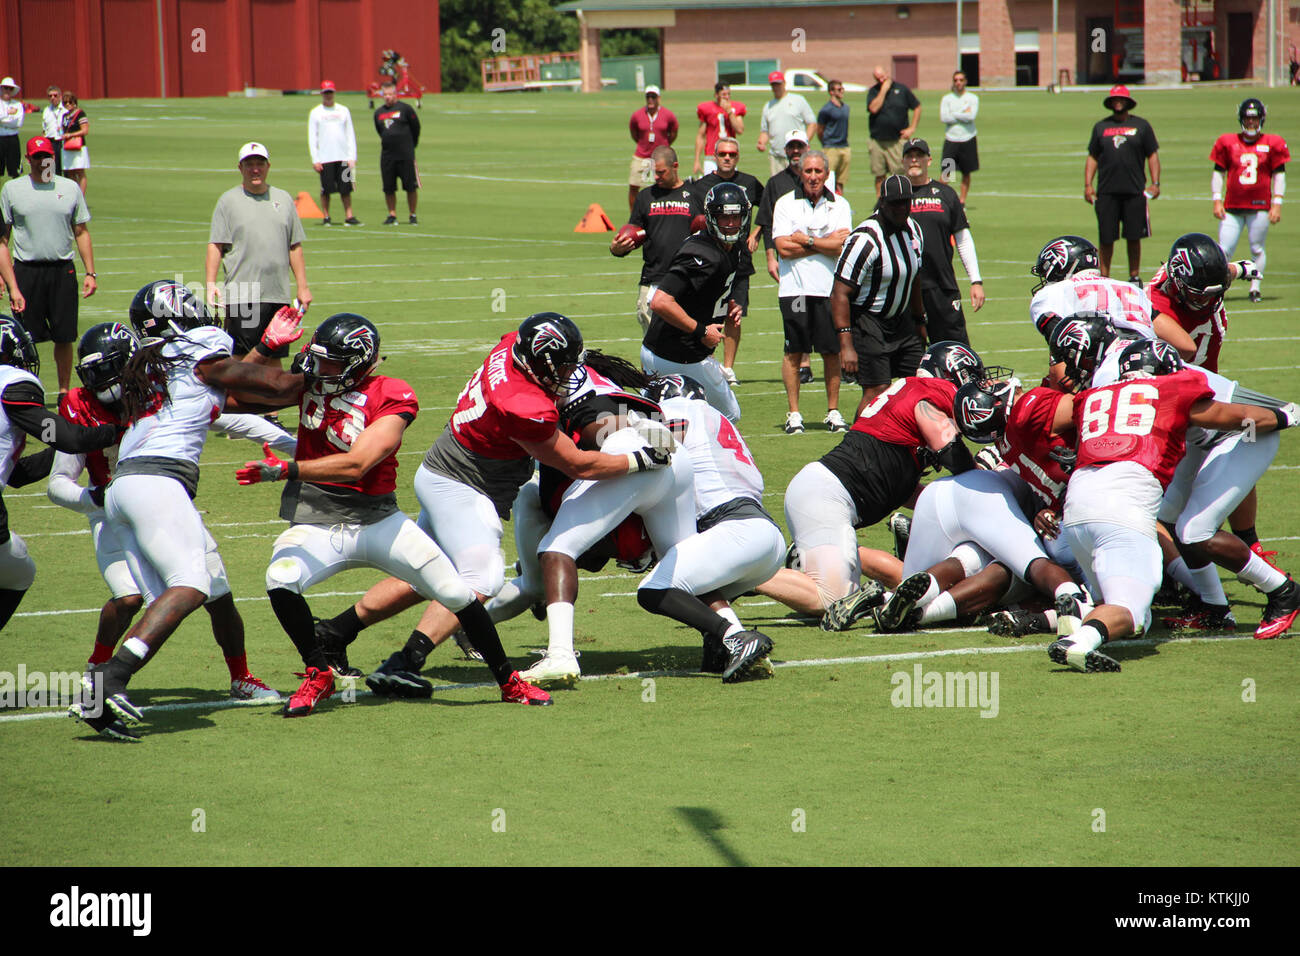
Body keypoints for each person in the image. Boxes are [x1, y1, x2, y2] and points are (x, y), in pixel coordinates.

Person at [307, 314, 673, 698]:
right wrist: (639, 461)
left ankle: (334, 633)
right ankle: (404, 662)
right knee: (481, 578)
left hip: (442, 468)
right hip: (464, 486)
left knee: (425, 574)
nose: (568, 374)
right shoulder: (521, 402)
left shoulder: (513, 344)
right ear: (542, 362)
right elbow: (578, 465)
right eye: (562, 366)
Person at [234, 313, 553, 713]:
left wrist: (288, 469)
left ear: (357, 362)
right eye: (318, 358)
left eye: (331, 361)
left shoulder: (392, 393)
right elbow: (230, 393)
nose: (319, 368)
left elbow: (357, 464)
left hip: (378, 522)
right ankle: (319, 672)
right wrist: (265, 348)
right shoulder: (311, 382)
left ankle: (509, 682)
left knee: (456, 591)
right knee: (280, 578)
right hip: (317, 522)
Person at [74, 281, 306, 739]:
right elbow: (275, 389)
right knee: (191, 585)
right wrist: (324, 378)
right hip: (157, 483)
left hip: (125, 485)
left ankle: (98, 701)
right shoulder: (199, 349)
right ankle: (107, 680)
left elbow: (225, 388)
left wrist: (264, 348)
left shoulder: (154, 363)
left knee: (190, 591)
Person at [1048, 334, 1297, 672]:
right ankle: (1215, 608)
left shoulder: (1099, 393)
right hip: (1179, 449)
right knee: (1167, 520)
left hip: (1243, 433)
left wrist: (1282, 417)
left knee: (1194, 530)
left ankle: (1282, 590)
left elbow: (1233, 416)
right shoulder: (1164, 388)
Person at [773, 341, 982, 622]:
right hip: (827, 497)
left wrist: (941, 505)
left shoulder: (909, 391)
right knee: (832, 599)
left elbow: (892, 480)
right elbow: (951, 452)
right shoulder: (933, 392)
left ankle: (810, 557)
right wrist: (981, 478)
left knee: (911, 581)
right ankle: (747, 573)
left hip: (823, 492)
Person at [638, 375, 784, 680]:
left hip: (734, 529)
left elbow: (665, 442)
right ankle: (724, 642)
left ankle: (736, 638)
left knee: (654, 590)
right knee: (695, 583)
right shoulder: (718, 419)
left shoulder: (677, 408)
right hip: (766, 539)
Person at [0, 314, 118, 634]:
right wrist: (117, 431)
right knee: (18, 570)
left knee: (17, 566)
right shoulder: (12, 382)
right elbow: (70, 437)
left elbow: (17, 474)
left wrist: (69, 452)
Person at [641, 181, 749, 422]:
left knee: (660, 421)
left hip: (678, 352)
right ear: (711, 217)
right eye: (724, 217)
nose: (731, 224)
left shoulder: (733, 246)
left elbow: (712, 285)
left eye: (736, 217)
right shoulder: (702, 253)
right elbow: (660, 301)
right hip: (675, 355)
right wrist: (701, 330)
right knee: (727, 414)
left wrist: (725, 304)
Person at [0, 136, 96, 399]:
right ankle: (25, 390)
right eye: (38, 157)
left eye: (47, 156)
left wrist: (90, 272)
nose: (43, 161)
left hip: (62, 270)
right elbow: (3, 239)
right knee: (23, 338)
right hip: (26, 272)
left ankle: (64, 391)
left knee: (64, 335)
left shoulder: (70, 188)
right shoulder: (12, 190)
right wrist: (6, 280)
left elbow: (81, 231)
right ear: (28, 159)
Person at [206, 142, 311, 359]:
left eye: (260, 164)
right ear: (240, 168)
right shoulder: (228, 201)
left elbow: (294, 246)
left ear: (268, 166)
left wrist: (303, 287)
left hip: (277, 294)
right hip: (242, 294)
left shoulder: (284, 199)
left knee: (272, 362)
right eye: (250, 164)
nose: (255, 169)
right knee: (241, 361)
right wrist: (210, 284)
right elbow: (216, 245)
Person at [832, 174, 926, 416]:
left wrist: (919, 321)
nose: (900, 208)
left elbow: (914, 278)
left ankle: (909, 447)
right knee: (878, 390)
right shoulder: (865, 238)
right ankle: (857, 447)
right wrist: (846, 345)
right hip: (868, 322)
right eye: (894, 203)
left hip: (902, 322)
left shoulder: (914, 231)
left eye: (905, 202)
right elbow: (840, 292)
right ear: (882, 202)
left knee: (919, 384)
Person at [771, 150, 852, 434]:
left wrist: (805, 239)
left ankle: (833, 412)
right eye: (808, 171)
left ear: (827, 174)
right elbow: (782, 247)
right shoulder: (785, 203)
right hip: (794, 290)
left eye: (818, 171)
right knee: (794, 352)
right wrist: (824, 241)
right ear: (800, 173)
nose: (813, 176)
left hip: (830, 290)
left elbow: (843, 246)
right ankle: (794, 414)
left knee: (831, 353)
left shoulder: (840, 204)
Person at [690, 136, 761, 385]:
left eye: (732, 154)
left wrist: (756, 232)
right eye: (723, 154)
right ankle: (704, 363)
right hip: (711, 260)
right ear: (715, 155)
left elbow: (770, 207)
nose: (727, 158)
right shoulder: (701, 186)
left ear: (738, 156)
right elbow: (694, 220)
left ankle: (728, 368)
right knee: (708, 313)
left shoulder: (750, 183)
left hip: (740, 261)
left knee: (735, 314)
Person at [901, 138, 983, 346]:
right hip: (905, 290)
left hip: (942, 287)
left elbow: (963, 239)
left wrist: (976, 281)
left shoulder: (946, 194)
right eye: (909, 156)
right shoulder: (894, 195)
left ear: (928, 160)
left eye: (919, 155)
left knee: (954, 349)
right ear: (902, 161)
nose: (914, 160)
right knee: (909, 356)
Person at [611, 144, 701, 334]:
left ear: (675, 166)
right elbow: (634, 233)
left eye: (661, 172)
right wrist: (618, 249)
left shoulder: (695, 195)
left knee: (685, 340)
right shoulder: (645, 197)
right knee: (651, 343)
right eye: (654, 172)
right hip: (653, 279)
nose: (657, 177)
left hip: (687, 278)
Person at [1210, 98, 1288, 303]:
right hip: (1232, 207)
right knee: (1223, 250)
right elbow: (1218, 173)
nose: (1251, 123)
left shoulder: (1273, 143)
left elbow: (1279, 175)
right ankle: (1220, 288)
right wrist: (1216, 200)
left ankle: (1255, 287)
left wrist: (1277, 203)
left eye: (1254, 118)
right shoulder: (1227, 142)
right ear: (1241, 119)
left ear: (1261, 119)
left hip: (1259, 206)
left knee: (1257, 248)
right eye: (1247, 118)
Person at [1084, 85, 1160, 283]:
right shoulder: (1100, 127)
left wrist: (1155, 182)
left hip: (1134, 190)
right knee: (1106, 237)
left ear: (1128, 102)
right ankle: (1104, 276)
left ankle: (1134, 275)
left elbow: (1152, 155)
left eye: (1121, 99)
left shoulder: (1142, 126)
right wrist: (1087, 185)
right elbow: (1092, 156)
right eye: (1115, 99)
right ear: (1110, 102)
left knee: (1134, 236)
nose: (1118, 102)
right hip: (1107, 191)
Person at [308, 80, 360, 227]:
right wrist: (315, 159)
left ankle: (349, 216)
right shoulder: (316, 112)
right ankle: (326, 216)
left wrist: (352, 157)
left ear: (334, 93)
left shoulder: (343, 110)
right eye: (326, 93)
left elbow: (350, 134)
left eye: (330, 92)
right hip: (325, 158)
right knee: (326, 189)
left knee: (346, 189)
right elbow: (312, 137)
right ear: (322, 94)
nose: (328, 95)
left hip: (343, 157)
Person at [866, 65, 921, 198]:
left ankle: (902, 200)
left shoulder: (902, 90)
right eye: (877, 78)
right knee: (879, 175)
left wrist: (912, 128)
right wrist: (883, 90)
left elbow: (917, 107)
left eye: (883, 77)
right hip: (878, 141)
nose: (881, 80)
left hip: (897, 141)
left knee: (900, 173)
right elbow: (873, 108)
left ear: (888, 73)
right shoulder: (874, 91)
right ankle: (880, 203)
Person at [374, 79, 420, 225]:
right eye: (385, 94)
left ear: (396, 94)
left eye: (390, 94)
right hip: (388, 155)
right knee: (389, 187)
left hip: (405, 154)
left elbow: (416, 127)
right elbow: (380, 130)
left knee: (410, 186)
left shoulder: (406, 109)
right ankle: (392, 215)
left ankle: (412, 214)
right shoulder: (378, 113)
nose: (388, 97)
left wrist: (411, 145)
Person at [627, 85, 678, 214]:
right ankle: (634, 216)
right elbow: (634, 132)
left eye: (653, 97)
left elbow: (673, 132)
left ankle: (661, 212)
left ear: (658, 98)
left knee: (663, 185)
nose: (650, 99)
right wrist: (642, 144)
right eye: (648, 96)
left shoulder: (668, 115)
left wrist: (664, 147)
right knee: (634, 185)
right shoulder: (637, 115)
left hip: (660, 158)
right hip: (641, 155)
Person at [755, 71, 815, 177]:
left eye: (778, 83)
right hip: (776, 156)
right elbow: (765, 131)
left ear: (784, 83)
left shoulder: (798, 100)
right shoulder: (768, 106)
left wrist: (805, 142)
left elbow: (812, 123)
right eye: (773, 84)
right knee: (778, 189)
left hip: (797, 155)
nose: (776, 87)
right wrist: (761, 143)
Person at [939, 71, 979, 205]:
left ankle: (962, 202)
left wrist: (954, 114)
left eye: (961, 80)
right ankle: (944, 200)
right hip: (951, 140)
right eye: (956, 80)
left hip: (968, 139)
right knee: (947, 172)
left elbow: (971, 116)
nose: (958, 82)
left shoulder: (972, 98)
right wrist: (962, 113)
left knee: (966, 173)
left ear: (965, 81)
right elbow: (944, 117)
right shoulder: (947, 99)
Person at [693, 82, 746, 177]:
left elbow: (740, 130)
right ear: (716, 95)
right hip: (711, 155)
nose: (727, 97)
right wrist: (697, 160)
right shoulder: (707, 108)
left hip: (729, 154)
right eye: (723, 94)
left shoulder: (735, 108)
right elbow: (701, 135)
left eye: (729, 94)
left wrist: (729, 112)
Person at [813, 79, 851, 192]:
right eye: (839, 89)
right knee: (829, 179)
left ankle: (840, 204)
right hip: (831, 147)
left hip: (844, 147)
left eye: (842, 88)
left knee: (841, 180)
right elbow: (820, 130)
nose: (842, 91)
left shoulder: (846, 107)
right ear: (831, 92)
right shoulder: (826, 110)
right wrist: (826, 143)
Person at [58, 92, 89, 197]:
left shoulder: (80, 113)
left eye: (70, 102)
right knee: (70, 172)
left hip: (78, 146)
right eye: (65, 102)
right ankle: (75, 196)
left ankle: (81, 198)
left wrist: (70, 135)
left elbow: (85, 130)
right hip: (67, 146)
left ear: (75, 103)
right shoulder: (64, 116)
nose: (68, 104)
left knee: (80, 172)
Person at [41, 86, 66, 177]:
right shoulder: (46, 110)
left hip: (62, 141)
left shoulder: (65, 109)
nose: (52, 98)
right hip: (49, 141)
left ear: (60, 96)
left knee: (64, 168)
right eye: (50, 96)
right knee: (51, 169)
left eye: (55, 95)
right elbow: (44, 129)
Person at [0, 78, 22, 180]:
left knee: (14, 170)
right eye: (6, 88)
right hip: (0, 137)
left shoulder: (17, 105)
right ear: (1, 88)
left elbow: (18, 122)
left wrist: (3, 121)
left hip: (13, 138)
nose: (8, 91)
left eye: (10, 88)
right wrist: (8, 114)